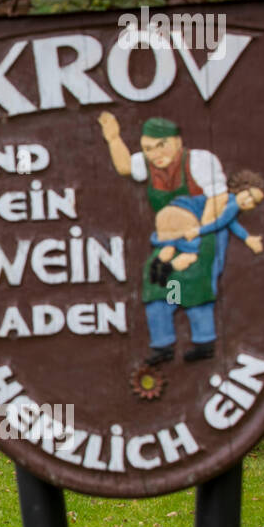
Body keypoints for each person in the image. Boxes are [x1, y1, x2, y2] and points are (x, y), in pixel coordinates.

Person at [99, 113, 230, 365]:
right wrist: (113, 138)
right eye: (148, 148)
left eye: (161, 145)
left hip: (203, 232)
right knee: (157, 276)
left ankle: (204, 341)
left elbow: (219, 199)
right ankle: (163, 344)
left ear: (177, 141)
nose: (155, 153)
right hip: (167, 238)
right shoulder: (149, 165)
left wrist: (196, 234)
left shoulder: (199, 162)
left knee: (193, 280)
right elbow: (125, 167)